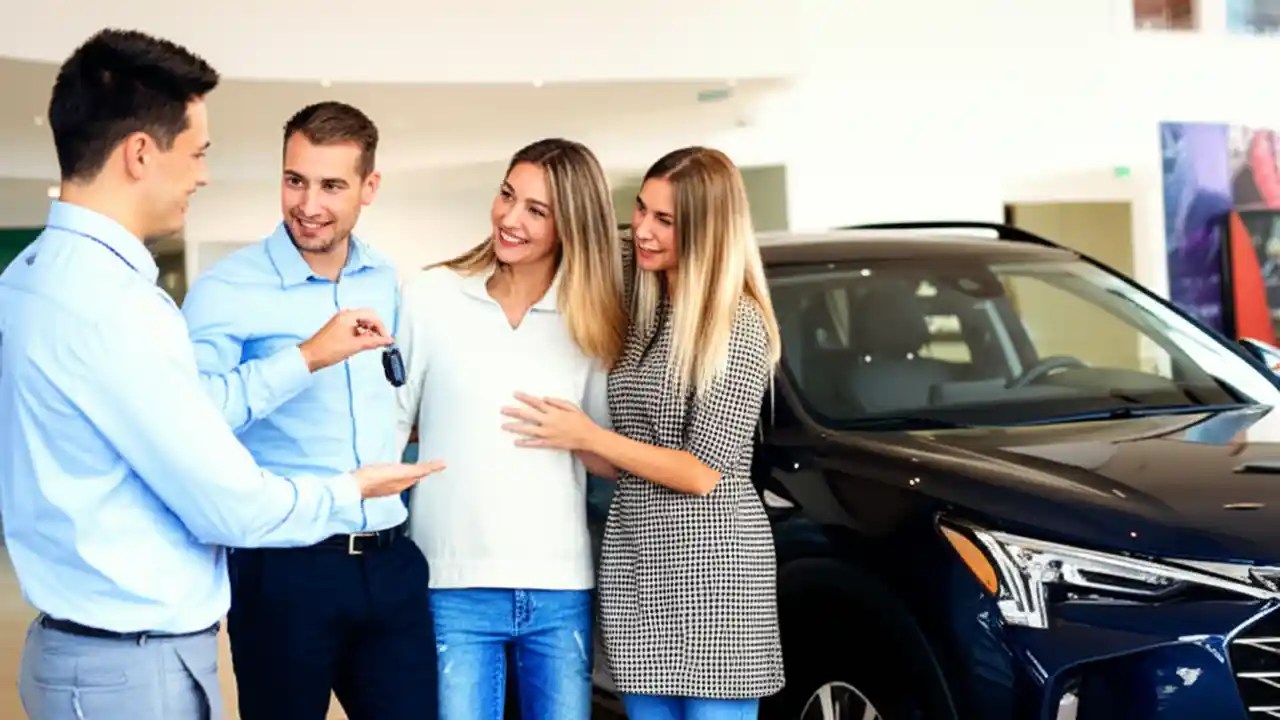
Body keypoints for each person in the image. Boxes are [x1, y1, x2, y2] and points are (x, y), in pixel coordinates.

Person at [0, 29, 443, 720]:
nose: (204, 174)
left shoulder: (29, 281)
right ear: (141, 153)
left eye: (331, 184)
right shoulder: (126, 305)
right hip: (236, 590)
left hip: (371, 564)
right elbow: (222, 496)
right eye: (199, 152)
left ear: (368, 188)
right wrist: (340, 465)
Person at [501, 146, 786, 719]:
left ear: (707, 232)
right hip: (637, 562)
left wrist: (588, 435)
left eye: (665, 220)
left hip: (716, 573)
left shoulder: (739, 324)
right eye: (641, 210)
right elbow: (575, 243)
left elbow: (701, 472)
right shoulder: (646, 302)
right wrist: (566, 436)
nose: (643, 231)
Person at [180, 101, 438, 720]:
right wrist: (307, 357)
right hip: (284, 569)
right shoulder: (226, 288)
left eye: (331, 185)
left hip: (390, 558)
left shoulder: (385, 279)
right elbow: (189, 422)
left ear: (369, 188)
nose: (308, 204)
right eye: (295, 180)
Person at [394, 138, 627, 719]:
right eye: (507, 195)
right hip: (452, 586)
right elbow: (389, 428)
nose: (509, 218)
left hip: (559, 589)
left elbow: (611, 461)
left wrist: (581, 435)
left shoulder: (591, 319)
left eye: (536, 210)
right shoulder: (431, 298)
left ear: (570, 225)